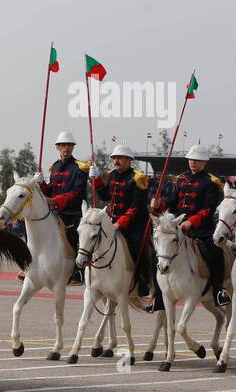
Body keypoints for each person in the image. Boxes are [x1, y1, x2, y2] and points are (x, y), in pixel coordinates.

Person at [153, 144, 228, 307]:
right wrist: (159, 205)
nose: (193, 162)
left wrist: (191, 221)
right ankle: (158, 297)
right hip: (176, 229)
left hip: (201, 230)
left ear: (204, 162)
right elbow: (171, 204)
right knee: (160, 254)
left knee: (216, 253)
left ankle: (218, 291)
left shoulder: (211, 182)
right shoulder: (180, 180)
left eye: (197, 160)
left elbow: (208, 209)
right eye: (191, 159)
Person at [90, 144, 153, 304]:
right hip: (115, 222)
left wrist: (119, 224)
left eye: (119, 158)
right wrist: (96, 179)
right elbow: (105, 196)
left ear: (129, 160)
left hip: (136, 224)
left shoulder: (138, 178)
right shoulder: (112, 176)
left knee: (138, 247)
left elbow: (136, 207)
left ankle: (143, 283)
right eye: (114, 158)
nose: (116, 161)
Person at [37, 130, 90, 284]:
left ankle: (78, 272)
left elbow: (77, 193)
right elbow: (50, 190)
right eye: (63, 145)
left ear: (73, 147)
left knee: (74, 236)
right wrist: (41, 184)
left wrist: (55, 200)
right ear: (57, 147)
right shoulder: (54, 167)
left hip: (73, 211)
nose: (66, 148)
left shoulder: (80, 168)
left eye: (69, 145)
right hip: (57, 212)